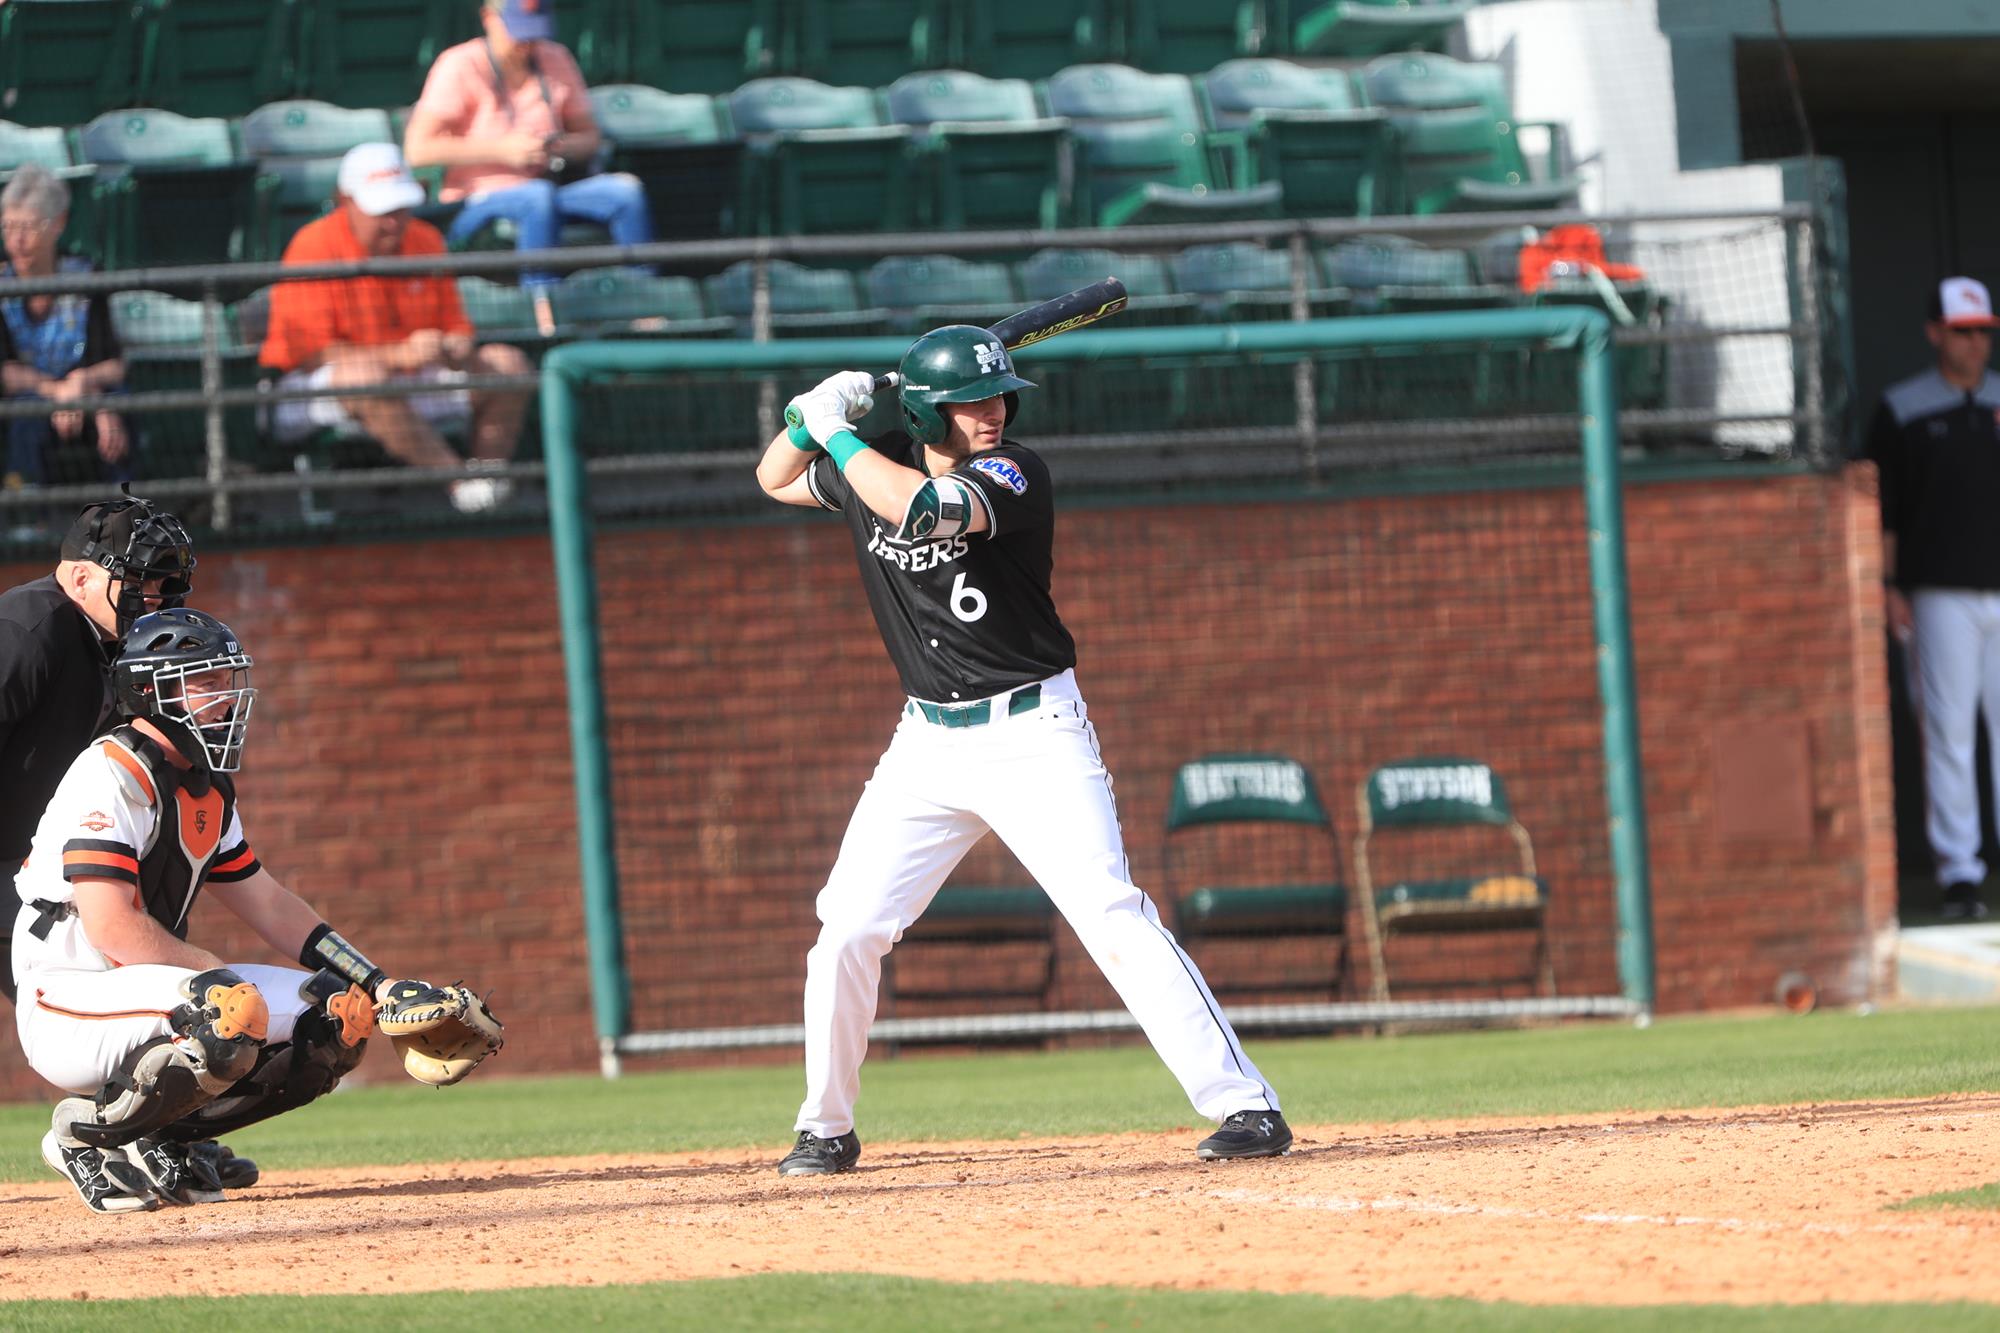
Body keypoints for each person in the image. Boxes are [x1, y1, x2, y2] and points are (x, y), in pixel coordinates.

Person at [753, 328, 1291, 1175]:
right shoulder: (875, 467)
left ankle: (1245, 1105)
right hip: (925, 742)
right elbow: (774, 477)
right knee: (848, 926)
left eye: (1000, 396)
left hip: (1033, 731)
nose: (995, 412)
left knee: (1110, 911)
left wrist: (839, 430)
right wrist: (818, 409)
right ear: (927, 411)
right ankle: (825, 1125)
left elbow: (920, 510)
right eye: (972, 402)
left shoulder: (1013, 472)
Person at [12, 607, 467, 1213]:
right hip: (66, 995)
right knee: (229, 1009)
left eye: (227, 681)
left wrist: (379, 985)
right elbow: (112, 926)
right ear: (152, 690)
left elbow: (271, 904)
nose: (225, 697)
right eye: (206, 682)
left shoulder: (202, 786)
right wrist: (216, 981)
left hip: (142, 988)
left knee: (339, 1018)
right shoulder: (109, 774)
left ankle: (163, 1137)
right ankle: (86, 1136)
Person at [259, 142, 531, 515]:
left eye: (401, 208)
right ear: (345, 200)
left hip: (410, 378)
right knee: (362, 376)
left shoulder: (426, 239)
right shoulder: (312, 246)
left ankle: (487, 480)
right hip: (309, 393)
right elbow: (310, 355)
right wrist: (400, 354)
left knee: (508, 364)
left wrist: (455, 345)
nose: (394, 221)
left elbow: (458, 326)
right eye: (382, 210)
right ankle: (460, 484)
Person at [0, 496, 194, 1009]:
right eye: (137, 581)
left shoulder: (114, 640)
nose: (152, 598)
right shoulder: (26, 632)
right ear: (81, 578)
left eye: (161, 584)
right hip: (14, 868)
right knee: (108, 990)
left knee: (117, 999)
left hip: (33, 865)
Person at [403, 0, 655, 336]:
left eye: (534, 33)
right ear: (488, 18)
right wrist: (502, 151)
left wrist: (555, 147)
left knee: (625, 192)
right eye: (518, 32)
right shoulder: (459, 64)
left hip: (549, 188)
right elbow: (417, 151)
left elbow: (589, 137)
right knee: (535, 197)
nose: (527, 43)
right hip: (474, 203)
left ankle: (645, 300)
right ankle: (543, 313)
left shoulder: (556, 57)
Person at [1869, 275, 2000, 920]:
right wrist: (1889, 586)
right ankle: (1960, 875)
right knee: (1949, 734)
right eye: (1962, 332)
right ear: (1935, 333)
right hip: (1939, 593)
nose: (1974, 344)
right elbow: (1883, 510)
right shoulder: (1903, 408)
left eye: (1982, 332)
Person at [0, 164, 134, 491]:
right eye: (8, 227)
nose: (17, 240)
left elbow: (114, 365)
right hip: (30, 397)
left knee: (118, 406)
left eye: (29, 227)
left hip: (84, 391)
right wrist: (56, 392)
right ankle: (27, 517)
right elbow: (5, 372)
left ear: (58, 224)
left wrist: (87, 391)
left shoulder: (86, 277)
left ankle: (127, 512)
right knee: (25, 414)